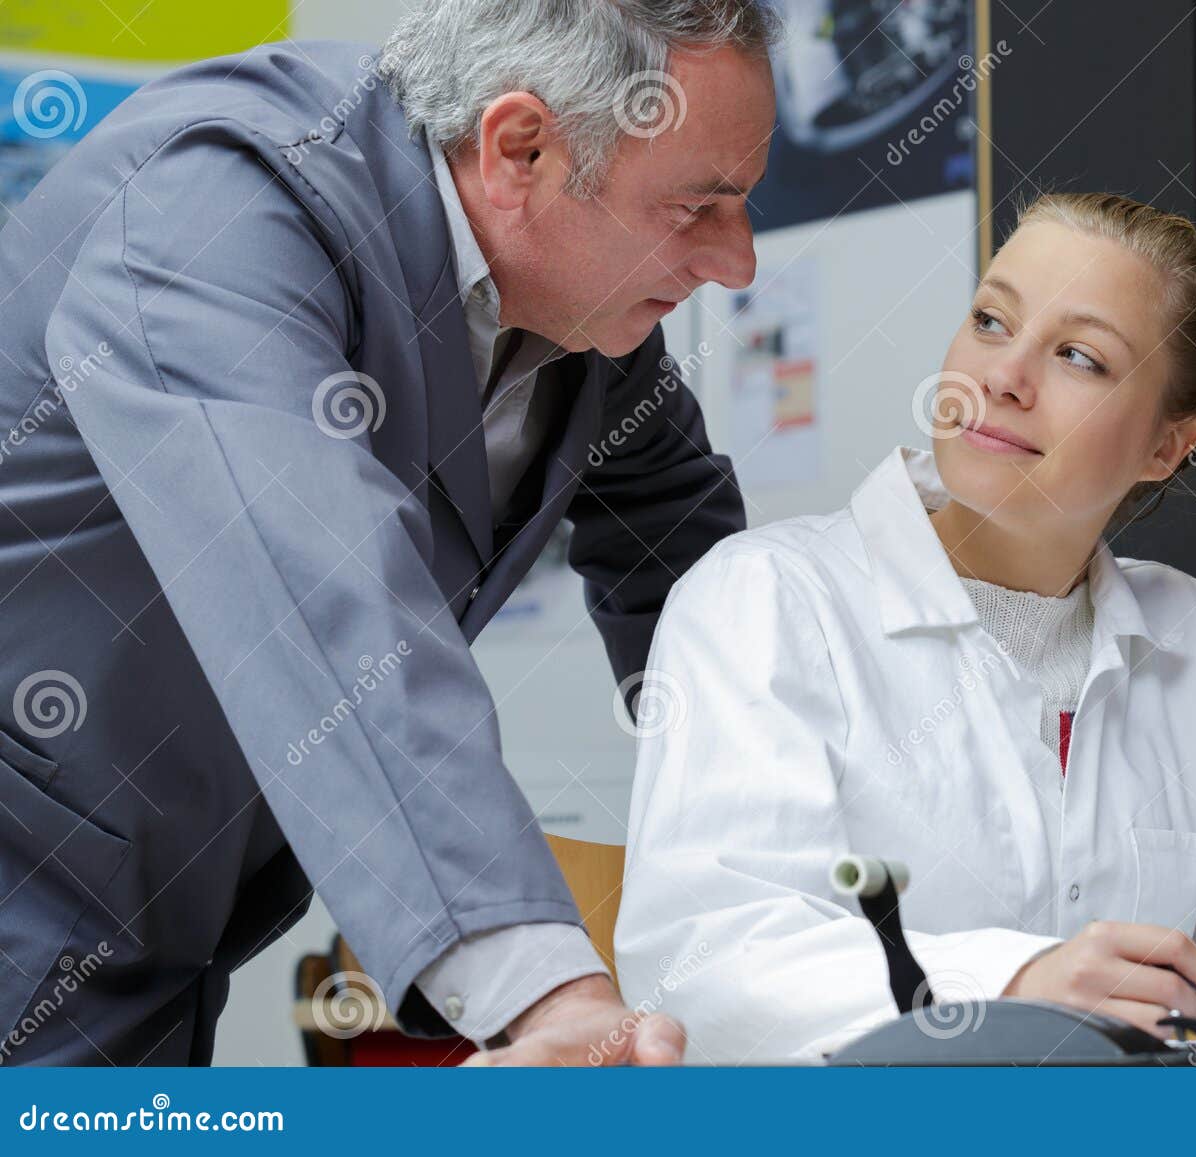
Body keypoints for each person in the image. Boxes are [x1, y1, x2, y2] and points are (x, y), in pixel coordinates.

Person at [0, 0, 780, 1066]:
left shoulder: (581, 328)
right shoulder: (219, 202)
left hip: (162, 913)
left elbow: (690, 566)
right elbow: (320, 591)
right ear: (522, 147)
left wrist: (799, 853)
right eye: (699, 206)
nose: (737, 260)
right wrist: (545, 993)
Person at [613, 191, 1196, 1063]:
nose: (1002, 378)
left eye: (1080, 358)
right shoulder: (763, 600)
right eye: (990, 320)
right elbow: (702, 962)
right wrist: (1015, 985)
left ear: (1166, 446)